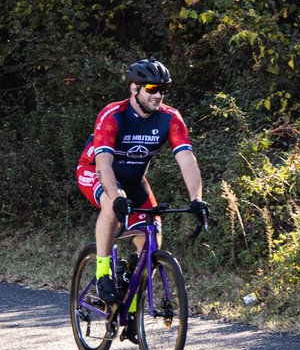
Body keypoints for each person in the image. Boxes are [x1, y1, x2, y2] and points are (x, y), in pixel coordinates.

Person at [76, 59, 209, 308]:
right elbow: (103, 163)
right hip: (95, 170)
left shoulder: (169, 119)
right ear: (134, 88)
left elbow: (187, 160)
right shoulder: (113, 115)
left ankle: (130, 304)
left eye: (162, 90)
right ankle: (103, 272)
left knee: (153, 241)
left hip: (134, 180)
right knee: (110, 206)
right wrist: (116, 197)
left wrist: (196, 198)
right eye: (151, 88)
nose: (158, 95)